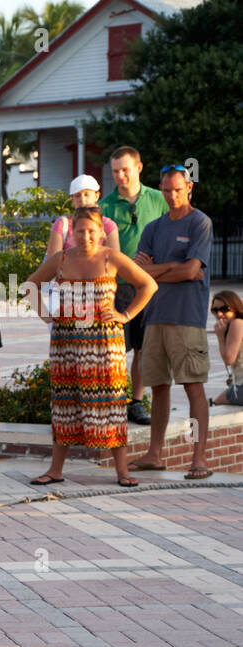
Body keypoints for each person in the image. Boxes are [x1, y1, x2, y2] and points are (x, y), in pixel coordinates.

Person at [25, 207, 157, 487]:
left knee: (111, 405)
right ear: (72, 232)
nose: (86, 236)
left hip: (105, 344)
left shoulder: (112, 257)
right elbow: (30, 285)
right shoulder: (61, 259)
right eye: (81, 231)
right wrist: (46, 314)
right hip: (66, 343)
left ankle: (121, 471)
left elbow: (148, 285)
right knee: (64, 405)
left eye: (91, 231)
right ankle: (55, 469)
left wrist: (126, 315)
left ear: (101, 232)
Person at [129, 166, 214, 478]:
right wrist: (173, 268)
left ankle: (198, 456)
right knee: (158, 387)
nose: (172, 195)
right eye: (166, 190)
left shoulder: (200, 222)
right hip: (154, 316)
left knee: (193, 387)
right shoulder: (153, 228)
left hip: (186, 318)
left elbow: (192, 272)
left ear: (189, 187)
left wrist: (157, 270)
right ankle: (154, 453)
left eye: (177, 189)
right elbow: (138, 272)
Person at [100, 147, 169, 426]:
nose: (120, 175)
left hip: (150, 286)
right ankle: (113, 400)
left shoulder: (158, 199)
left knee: (144, 347)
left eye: (125, 169)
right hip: (117, 287)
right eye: (115, 170)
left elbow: (170, 231)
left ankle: (136, 402)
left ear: (139, 168)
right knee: (115, 348)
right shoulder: (104, 206)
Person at [46, 176, 121, 258]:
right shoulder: (62, 224)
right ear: (72, 199)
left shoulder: (108, 225)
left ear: (97, 196)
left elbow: (114, 262)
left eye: (86, 194)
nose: (82, 199)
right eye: (77, 196)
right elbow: (52, 263)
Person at [211, 291, 243, 406]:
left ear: (235, 308)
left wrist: (220, 337)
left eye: (224, 309)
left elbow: (229, 359)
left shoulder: (237, 323)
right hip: (238, 383)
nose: (219, 314)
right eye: (215, 310)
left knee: (216, 403)